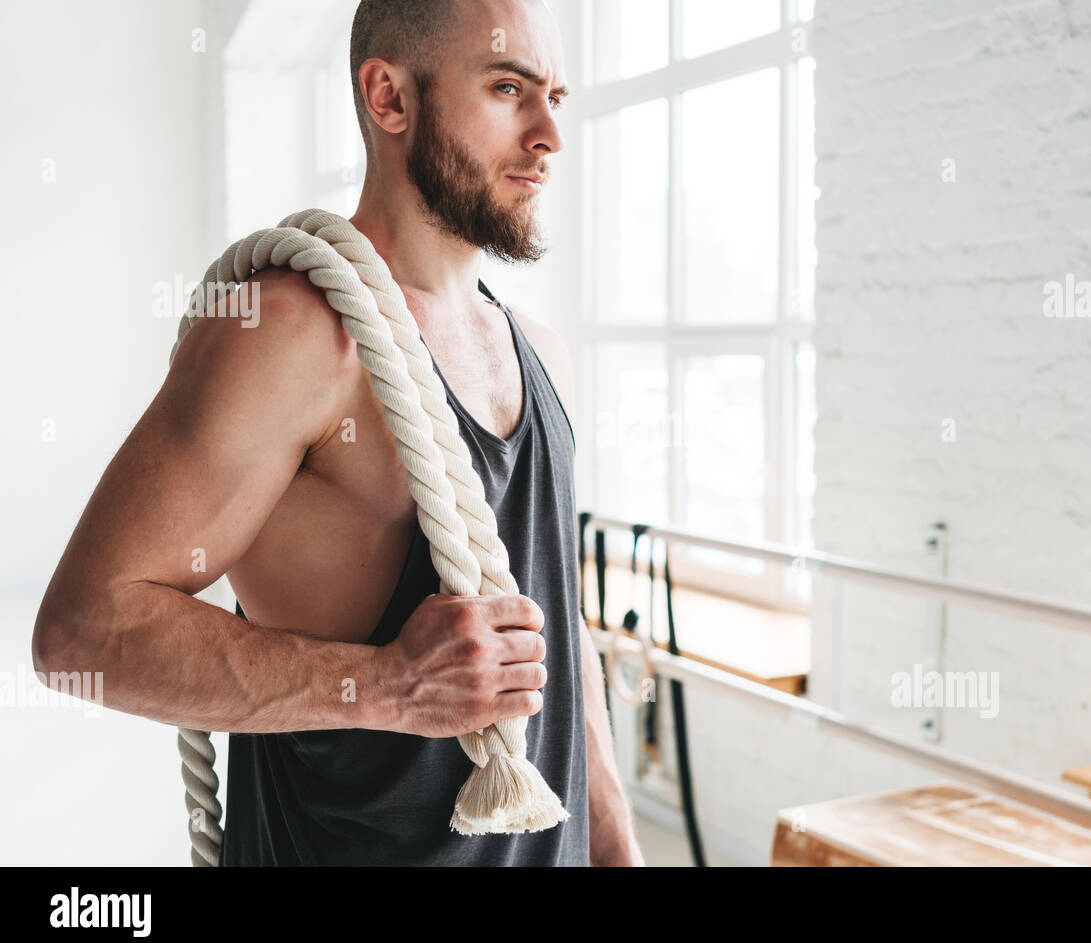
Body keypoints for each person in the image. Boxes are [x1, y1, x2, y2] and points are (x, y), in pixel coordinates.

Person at [31, 0, 644, 867]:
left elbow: (558, 648)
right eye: (509, 88)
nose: (549, 133)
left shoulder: (539, 354)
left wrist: (620, 851)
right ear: (389, 98)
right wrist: (391, 686)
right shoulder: (291, 337)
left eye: (557, 97)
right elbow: (81, 631)